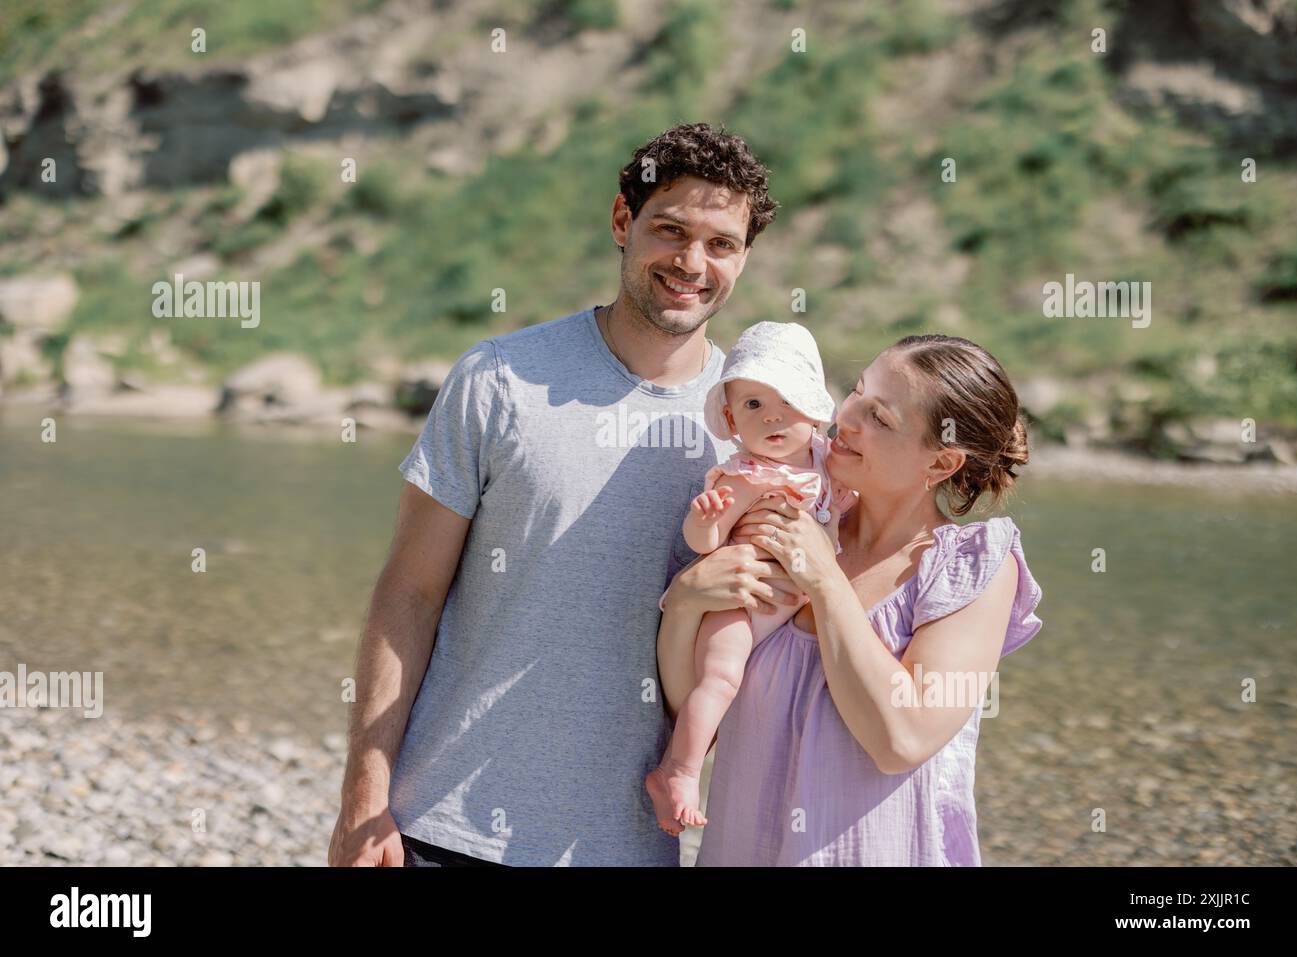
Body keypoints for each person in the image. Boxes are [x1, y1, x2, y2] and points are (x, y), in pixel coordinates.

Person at [327, 122, 799, 866]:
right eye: (669, 230)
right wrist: (364, 794)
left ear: (743, 256)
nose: (691, 263)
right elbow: (408, 595)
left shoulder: (756, 430)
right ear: (622, 222)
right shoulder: (500, 379)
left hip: (625, 843)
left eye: (721, 244)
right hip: (440, 827)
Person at [656, 333, 1045, 865]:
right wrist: (684, 602)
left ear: (941, 463)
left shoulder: (969, 566)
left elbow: (901, 740)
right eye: (857, 393)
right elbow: (692, 709)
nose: (847, 418)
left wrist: (824, 578)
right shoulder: (786, 518)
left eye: (880, 418)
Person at [645, 320, 855, 835]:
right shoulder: (747, 475)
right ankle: (679, 768)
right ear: (732, 420)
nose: (773, 417)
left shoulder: (831, 465)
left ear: (814, 408)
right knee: (719, 678)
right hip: (742, 602)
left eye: (786, 400)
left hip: (793, 611)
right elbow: (705, 543)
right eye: (753, 405)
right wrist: (705, 515)